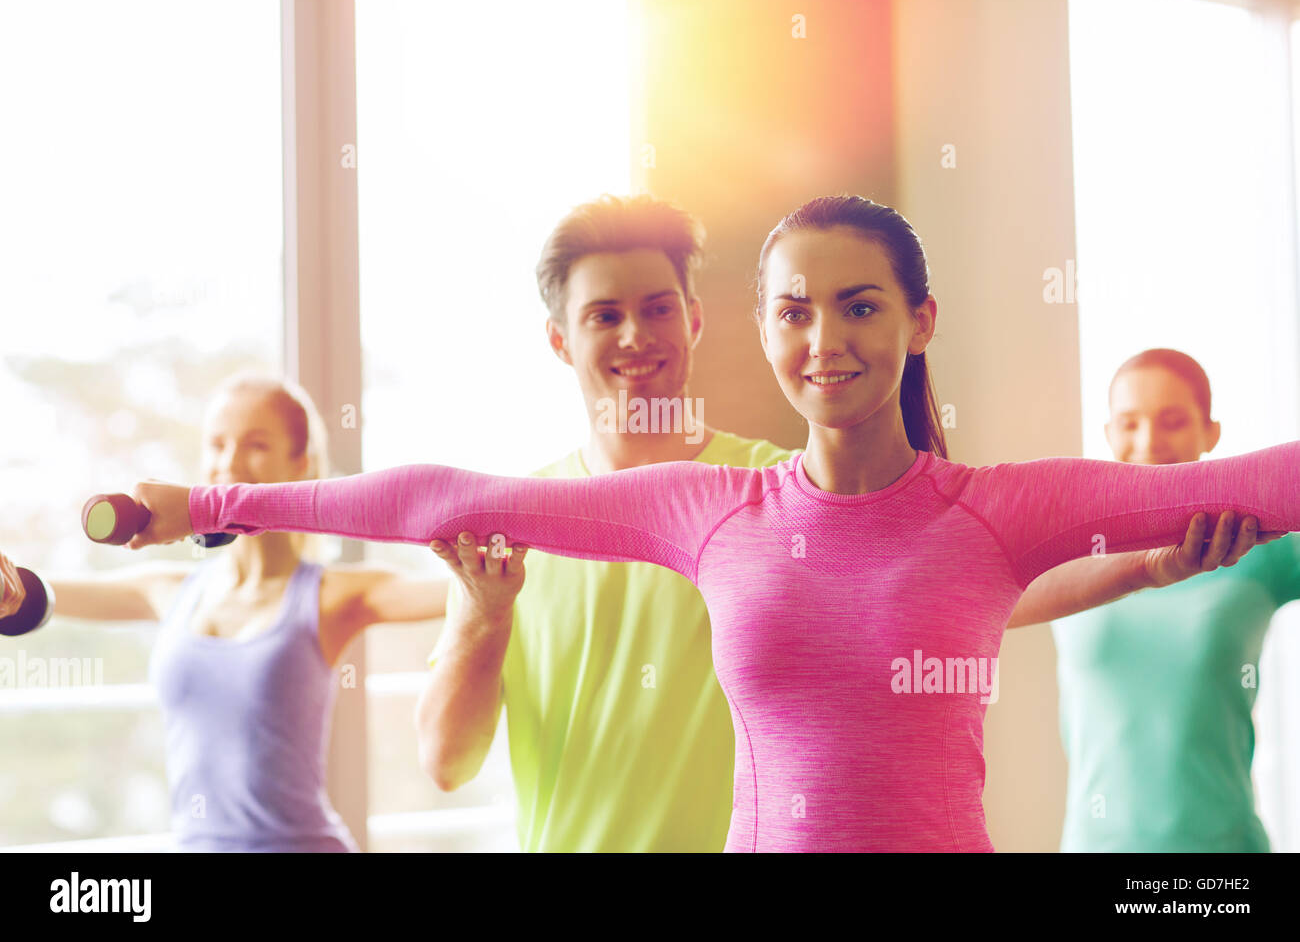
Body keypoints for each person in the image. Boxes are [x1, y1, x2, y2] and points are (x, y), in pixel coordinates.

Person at [113, 196, 1300, 852]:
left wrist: (1149, 562)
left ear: (919, 319)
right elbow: (435, 497)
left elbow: (1250, 479)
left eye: (859, 304)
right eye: (795, 310)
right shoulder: (694, 507)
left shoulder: (985, 509)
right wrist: (206, 508)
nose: (824, 338)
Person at [415, 195, 791, 852]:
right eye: (604, 315)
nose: (635, 336)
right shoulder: (508, 525)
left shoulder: (775, 492)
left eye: (657, 309)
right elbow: (447, 763)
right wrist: (485, 615)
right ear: (560, 340)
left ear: (694, 320)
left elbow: (940, 578)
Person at [0, 373, 449, 852]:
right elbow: (40, 594)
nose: (229, 463)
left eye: (256, 445)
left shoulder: (334, 593)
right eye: (217, 445)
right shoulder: (171, 590)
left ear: (301, 464)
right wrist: (10, 590)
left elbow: (457, 589)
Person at [1007, 348, 1300, 851]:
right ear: (1107, 434)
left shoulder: (1260, 546)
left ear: (1211, 433)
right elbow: (973, 599)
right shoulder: (1070, 548)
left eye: (1173, 421)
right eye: (1129, 423)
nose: (1149, 442)